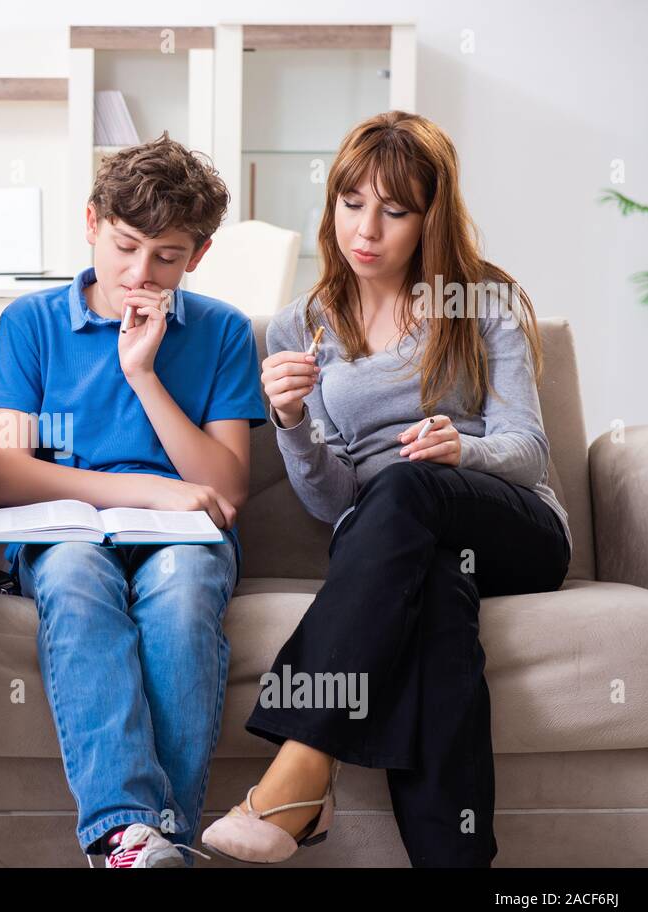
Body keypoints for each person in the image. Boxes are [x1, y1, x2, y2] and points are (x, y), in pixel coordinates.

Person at [201, 111, 572, 867]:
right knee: (435, 596)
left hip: (512, 528)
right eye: (350, 202)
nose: (365, 228)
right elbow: (336, 502)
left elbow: (531, 454)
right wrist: (291, 419)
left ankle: (305, 762)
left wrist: (461, 448)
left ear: (431, 217)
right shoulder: (301, 327)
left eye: (394, 210)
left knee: (408, 485)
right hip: (396, 540)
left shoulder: (481, 304)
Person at [0, 134, 266, 867]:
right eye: (125, 246)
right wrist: (145, 490)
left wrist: (143, 373)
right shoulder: (30, 324)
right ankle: (134, 833)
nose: (140, 274)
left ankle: (143, 846)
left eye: (166, 256)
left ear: (198, 256)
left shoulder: (224, 331)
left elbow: (227, 489)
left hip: (184, 541)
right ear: (90, 222)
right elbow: (6, 474)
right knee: (76, 577)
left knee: (184, 589)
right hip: (69, 532)